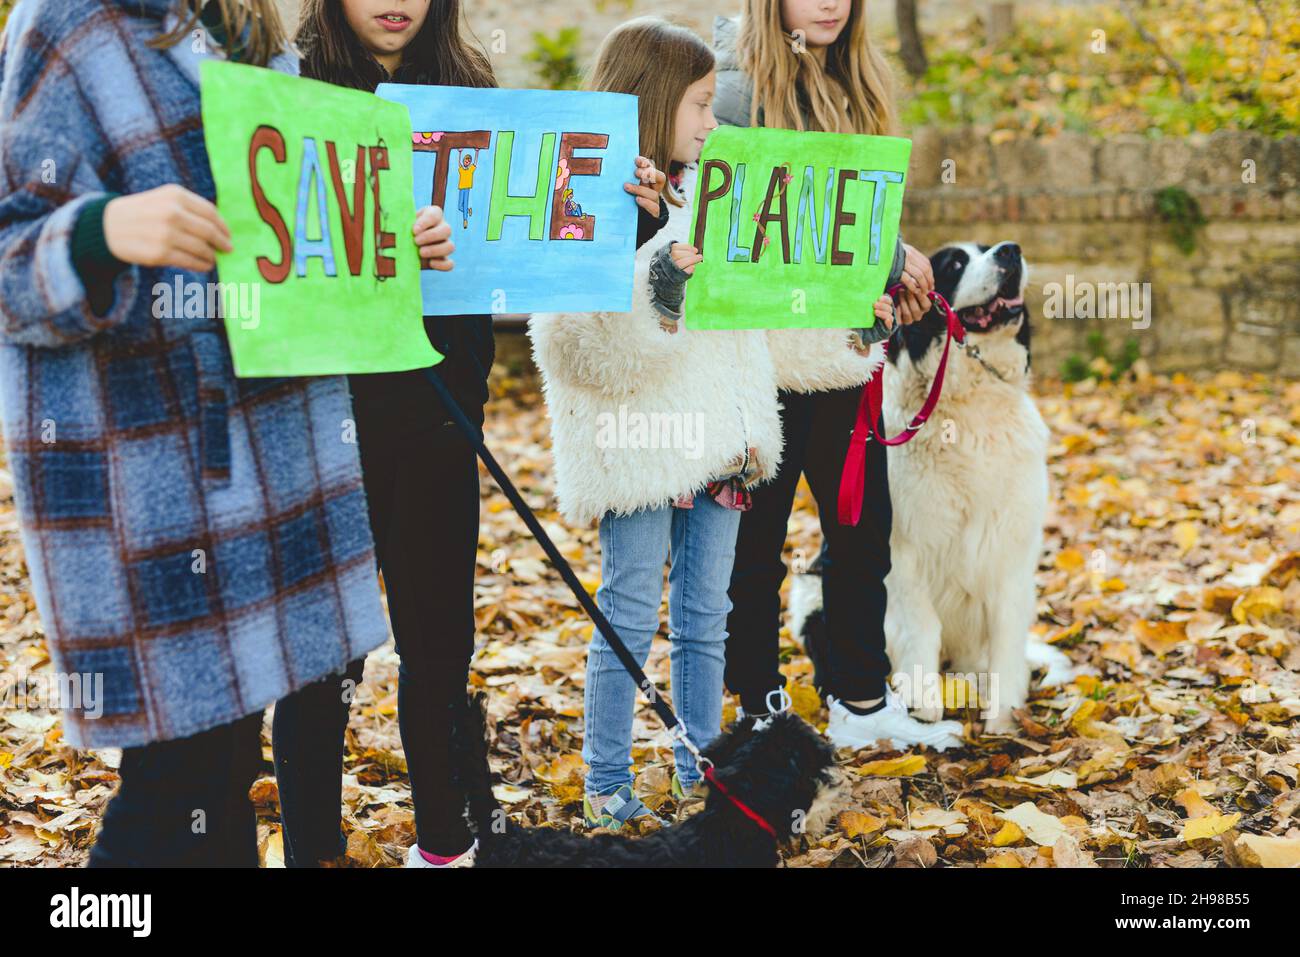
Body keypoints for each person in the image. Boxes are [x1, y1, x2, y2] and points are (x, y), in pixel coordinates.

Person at [0, 0, 421, 866]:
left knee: (223, 772)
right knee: (172, 786)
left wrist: (381, 243)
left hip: (279, 467)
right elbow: (13, 252)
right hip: (151, 475)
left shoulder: (257, 36)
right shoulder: (69, 23)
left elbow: (291, 246)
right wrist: (102, 229)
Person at [273, 0, 668, 867]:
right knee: (323, 658)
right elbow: (261, 259)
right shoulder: (289, 85)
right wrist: (374, 245)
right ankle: (314, 851)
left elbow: (536, 243)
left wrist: (631, 218)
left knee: (440, 642)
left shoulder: (468, 88)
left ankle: (446, 844)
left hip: (438, 417)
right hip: (320, 423)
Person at [529, 17, 785, 829]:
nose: (714, 123)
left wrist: (861, 330)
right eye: (701, 105)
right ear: (654, 98)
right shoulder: (590, 199)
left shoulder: (701, 197)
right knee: (630, 606)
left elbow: (754, 323)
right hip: (642, 442)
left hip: (719, 443)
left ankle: (698, 766)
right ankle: (606, 780)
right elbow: (577, 344)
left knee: (708, 613)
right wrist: (648, 254)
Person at [714, 0, 964, 751]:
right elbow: (766, 218)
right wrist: (891, 256)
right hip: (759, 362)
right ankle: (757, 705)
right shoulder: (734, 88)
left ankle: (859, 698)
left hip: (845, 355)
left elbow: (855, 220)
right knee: (751, 548)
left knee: (862, 532)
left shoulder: (854, 79)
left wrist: (890, 273)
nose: (829, 3)